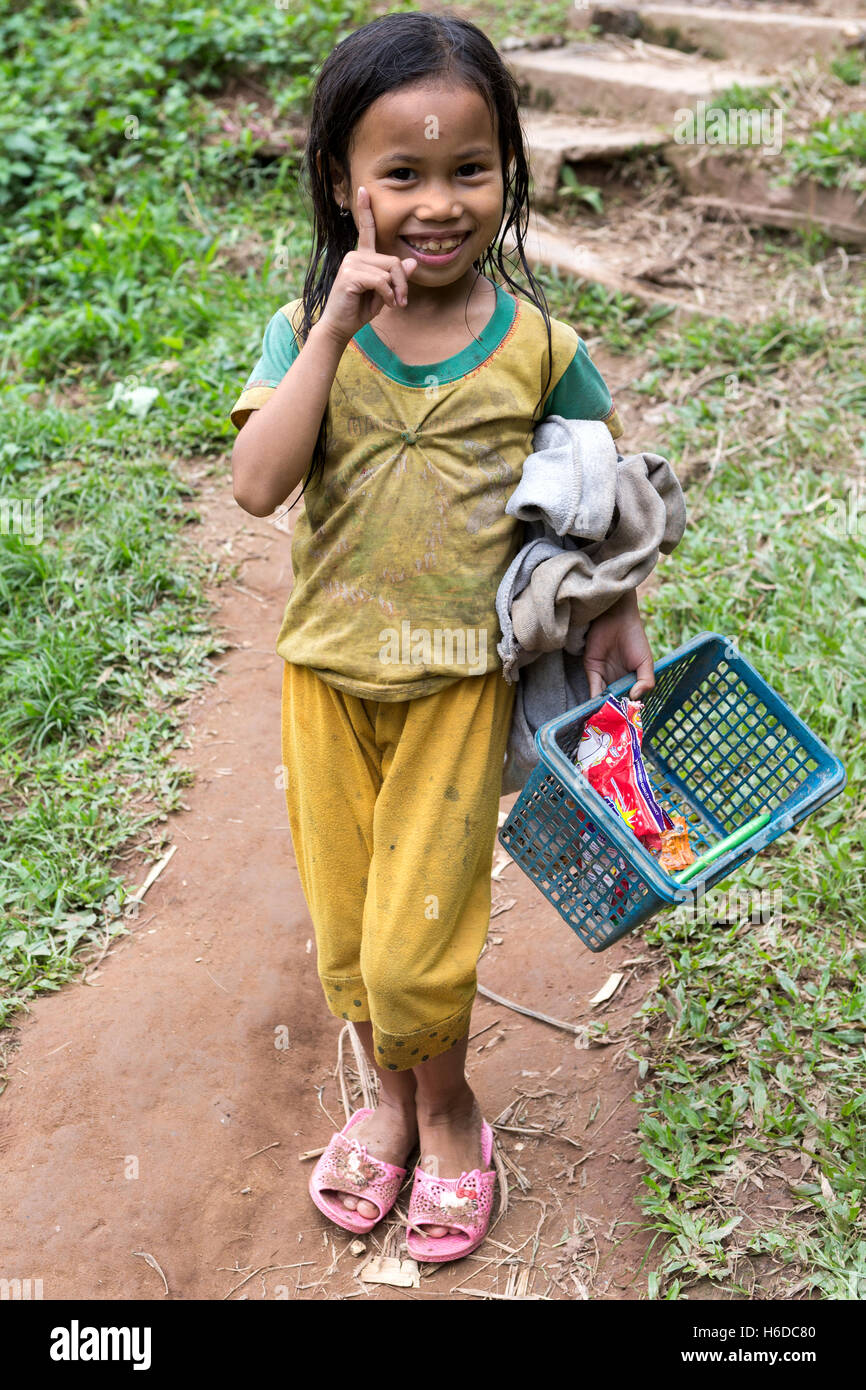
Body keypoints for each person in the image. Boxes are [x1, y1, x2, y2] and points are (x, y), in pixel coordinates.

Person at [230, 9, 655, 1264]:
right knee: (355, 937)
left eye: (468, 170)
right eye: (400, 174)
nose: (436, 202)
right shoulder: (310, 324)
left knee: (422, 940)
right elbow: (258, 484)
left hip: (455, 688)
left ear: (506, 175)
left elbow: (604, 484)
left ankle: (451, 1108)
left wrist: (619, 603)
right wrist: (329, 331)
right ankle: (391, 1103)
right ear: (340, 183)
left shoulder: (535, 347)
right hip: (326, 679)